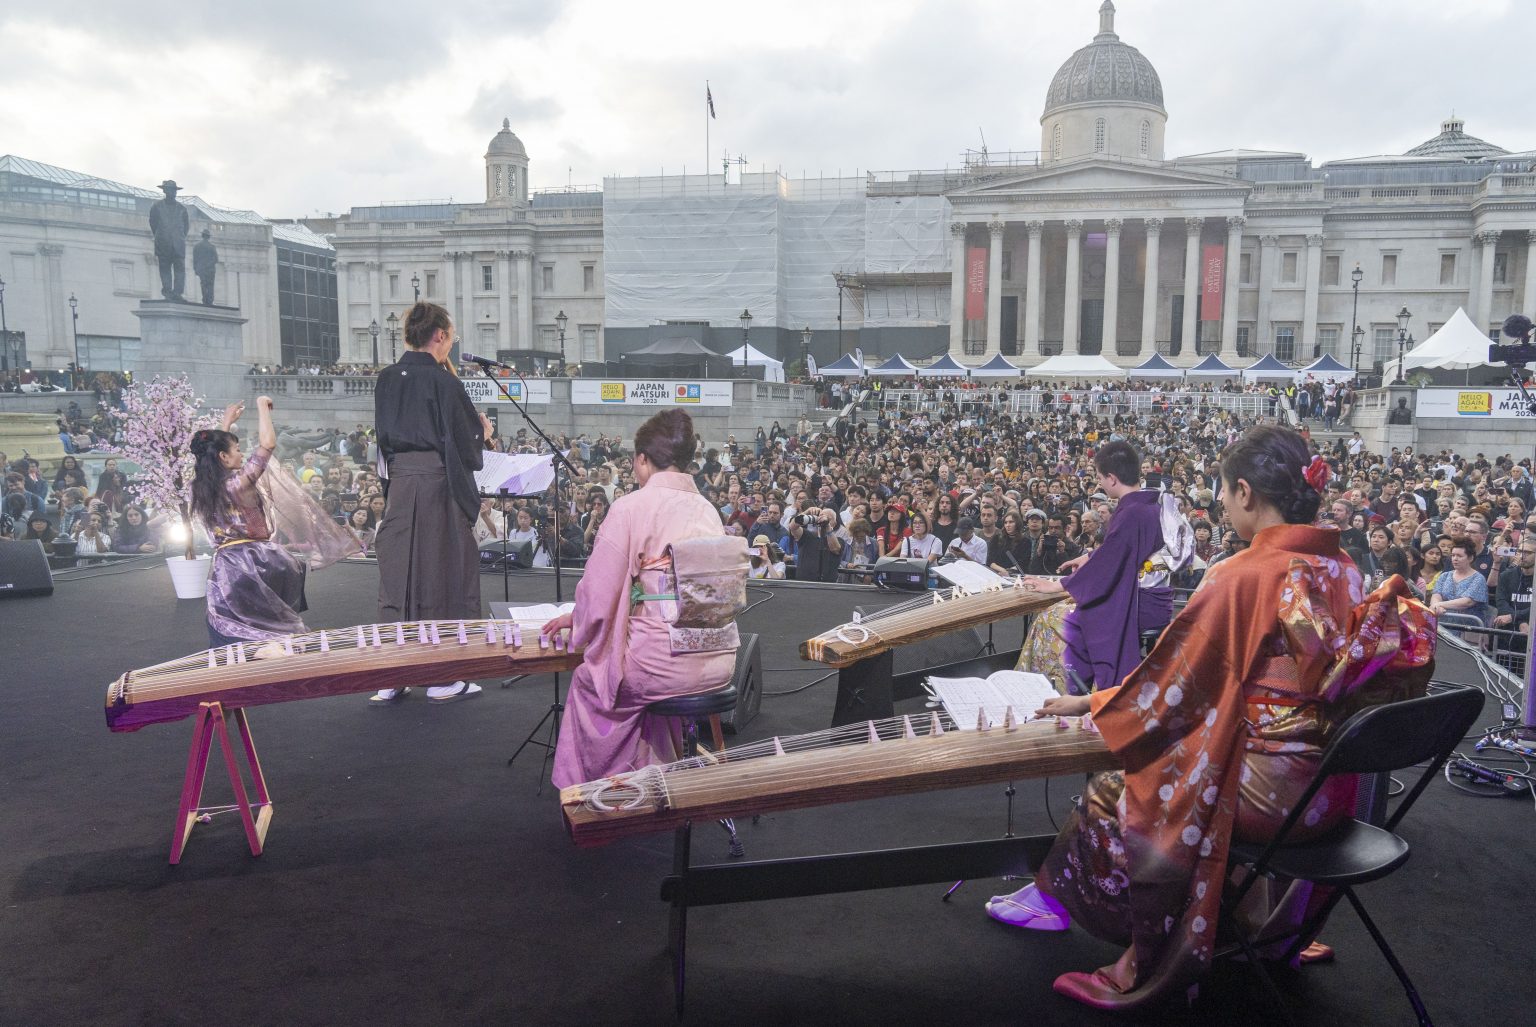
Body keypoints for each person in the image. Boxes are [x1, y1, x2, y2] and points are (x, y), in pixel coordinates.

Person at [986, 424, 1434, 1012]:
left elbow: (1173, 683)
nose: (1222, 507)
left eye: (1223, 494)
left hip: (1270, 796)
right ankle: (1260, 926)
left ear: (1245, 492)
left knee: (1116, 789)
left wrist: (1094, 703)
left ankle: (1118, 932)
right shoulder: (1343, 566)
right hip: (1330, 788)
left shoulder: (1242, 574)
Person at [546, 409, 744, 788]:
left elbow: (599, 593)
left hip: (665, 665)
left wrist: (579, 619)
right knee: (639, 659)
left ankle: (600, 794)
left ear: (642, 459)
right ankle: (657, 772)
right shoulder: (707, 508)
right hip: (721, 659)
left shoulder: (631, 508)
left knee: (594, 683)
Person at [369, 302, 493, 705]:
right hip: (439, 484)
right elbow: (465, 442)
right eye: (450, 338)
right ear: (439, 335)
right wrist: (483, 430)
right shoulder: (444, 382)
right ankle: (443, 676)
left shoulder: (386, 378)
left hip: (402, 483)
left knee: (398, 574)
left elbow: (384, 440)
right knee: (444, 574)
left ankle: (393, 673)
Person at [1017, 441, 1186, 696]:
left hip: (1137, 604)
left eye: (1099, 478)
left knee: (1049, 619)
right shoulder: (1150, 505)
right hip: (1154, 600)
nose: (1099, 484)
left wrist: (1057, 585)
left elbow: (1112, 563)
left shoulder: (1131, 512)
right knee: (1061, 611)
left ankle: (1061, 694)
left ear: (1112, 478)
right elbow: (1123, 553)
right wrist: (1089, 558)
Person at [190, 397, 355, 645]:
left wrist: (226, 424)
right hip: (258, 563)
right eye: (236, 450)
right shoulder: (238, 484)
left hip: (225, 567)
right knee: (272, 629)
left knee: (234, 628)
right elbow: (267, 444)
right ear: (224, 457)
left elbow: (212, 455)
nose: (241, 453)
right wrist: (261, 406)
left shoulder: (200, 488)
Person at [1429, 538, 1490, 632]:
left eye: (1459, 556)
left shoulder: (1478, 578)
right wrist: (1436, 607)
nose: (1455, 559)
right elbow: (1436, 595)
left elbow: (1467, 602)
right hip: (1443, 626)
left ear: (1470, 558)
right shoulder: (1445, 575)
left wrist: (1439, 604)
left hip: (1468, 629)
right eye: (1453, 555)